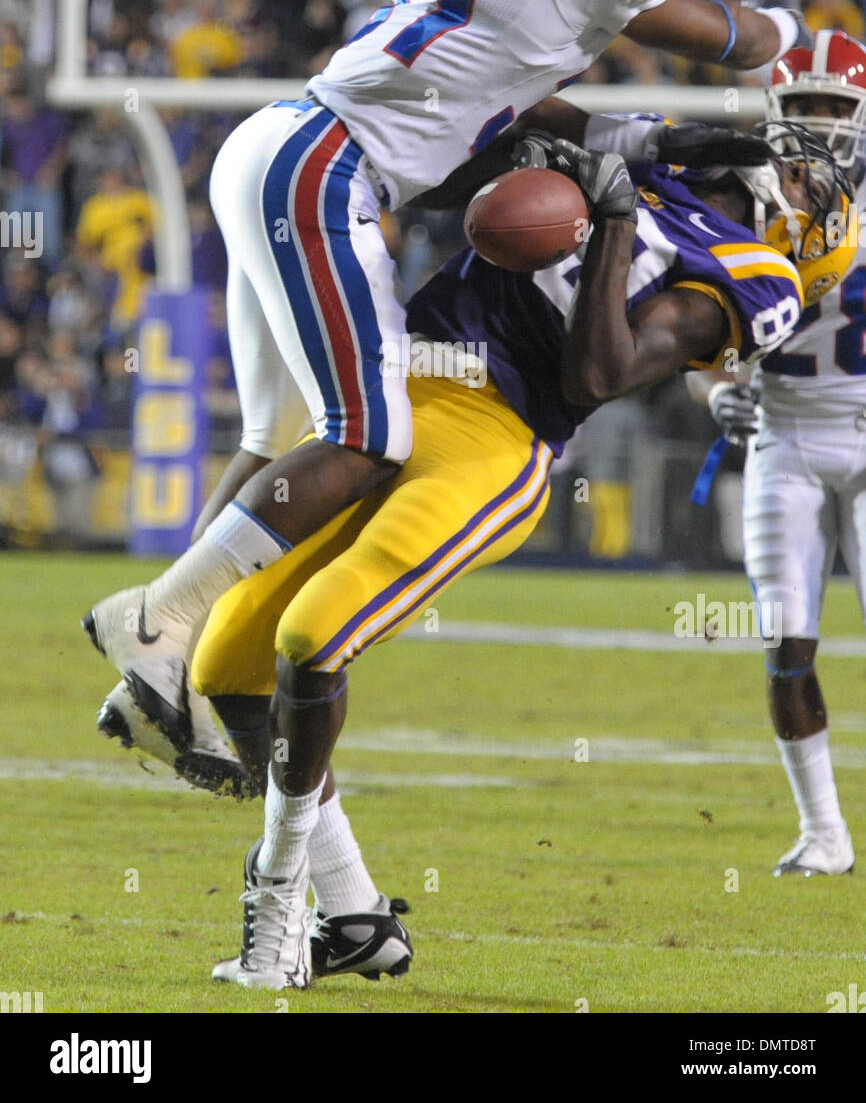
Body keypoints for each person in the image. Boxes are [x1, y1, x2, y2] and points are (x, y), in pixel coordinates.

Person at [83, 0, 812, 919]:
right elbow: (704, 33)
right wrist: (773, 31)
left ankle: (300, 849)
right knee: (365, 435)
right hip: (328, 175)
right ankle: (156, 620)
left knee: (282, 441)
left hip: (278, 142)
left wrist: (652, 144)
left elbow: (510, 98)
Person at [101, 112, 855, 987]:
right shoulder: (655, 167)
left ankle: (275, 914)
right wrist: (517, 159)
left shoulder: (759, 275)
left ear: (806, 236)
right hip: (389, 388)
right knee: (226, 671)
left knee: (311, 636)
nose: (794, 168)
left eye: (812, 185)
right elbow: (446, 201)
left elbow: (597, 377)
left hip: (494, 439)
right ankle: (355, 919)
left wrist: (609, 220)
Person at [692, 31, 866, 877]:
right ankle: (825, 833)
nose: (823, 127)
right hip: (784, 438)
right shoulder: (738, 203)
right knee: (785, 643)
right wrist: (718, 390)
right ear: (776, 113)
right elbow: (701, 338)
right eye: (806, 108)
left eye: (838, 108)